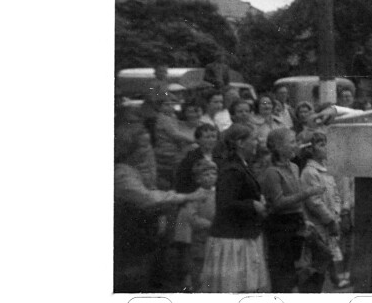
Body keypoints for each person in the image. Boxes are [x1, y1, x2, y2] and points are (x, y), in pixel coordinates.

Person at [115, 121, 206, 292]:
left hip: (145, 236)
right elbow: (148, 198)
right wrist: (187, 196)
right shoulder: (121, 173)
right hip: (131, 239)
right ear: (128, 148)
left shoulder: (135, 168)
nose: (148, 151)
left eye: (149, 146)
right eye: (143, 146)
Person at [198, 124, 269, 293]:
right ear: (240, 143)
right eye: (253, 139)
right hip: (232, 241)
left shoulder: (241, 166)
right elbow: (225, 203)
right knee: (233, 289)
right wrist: (252, 204)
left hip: (243, 236)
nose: (257, 142)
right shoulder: (232, 169)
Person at [259, 128, 324, 293]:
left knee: (303, 268)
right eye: (292, 142)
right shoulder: (271, 172)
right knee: (283, 273)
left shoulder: (294, 167)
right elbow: (278, 203)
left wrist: (304, 218)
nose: (296, 145)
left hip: (297, 223)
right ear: (279, 147)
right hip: (280, 227)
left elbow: (296, 199)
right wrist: (307, 193)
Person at [299, 130, 352, 290]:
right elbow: (315, 202)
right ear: (311, 150)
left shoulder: (326, 170)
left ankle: (328, 284)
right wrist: (329, 219)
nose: (326, 148)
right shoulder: (310, 172)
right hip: (319, 224)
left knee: (328, 255)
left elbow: (334, 193)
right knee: (319, 259)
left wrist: (336, 213)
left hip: (330, 221)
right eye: (321, 145)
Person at [167, 158, 218, 292]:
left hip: (216, 237)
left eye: (213, 174)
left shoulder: (219, 194)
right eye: (206, 174)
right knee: (198, 267)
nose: (210, 177)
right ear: (198, 179)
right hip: (200, 239)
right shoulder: (195, 196)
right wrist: (210, 224)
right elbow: (193, 218)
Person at [155, 99, 204, 191]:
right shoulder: (163, 118)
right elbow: (175, 134)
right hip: (167, 152)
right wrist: (194, 141)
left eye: (171, 105)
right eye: (166, 105)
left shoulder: (171, 117)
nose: (170, 107)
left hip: (175, 151)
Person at [174, 123, 220, 194]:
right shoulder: (190, 159)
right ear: (198, 140)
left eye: (213, 137)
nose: (211, 140)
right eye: (207, 137)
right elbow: (182, 184)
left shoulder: (222, 156)